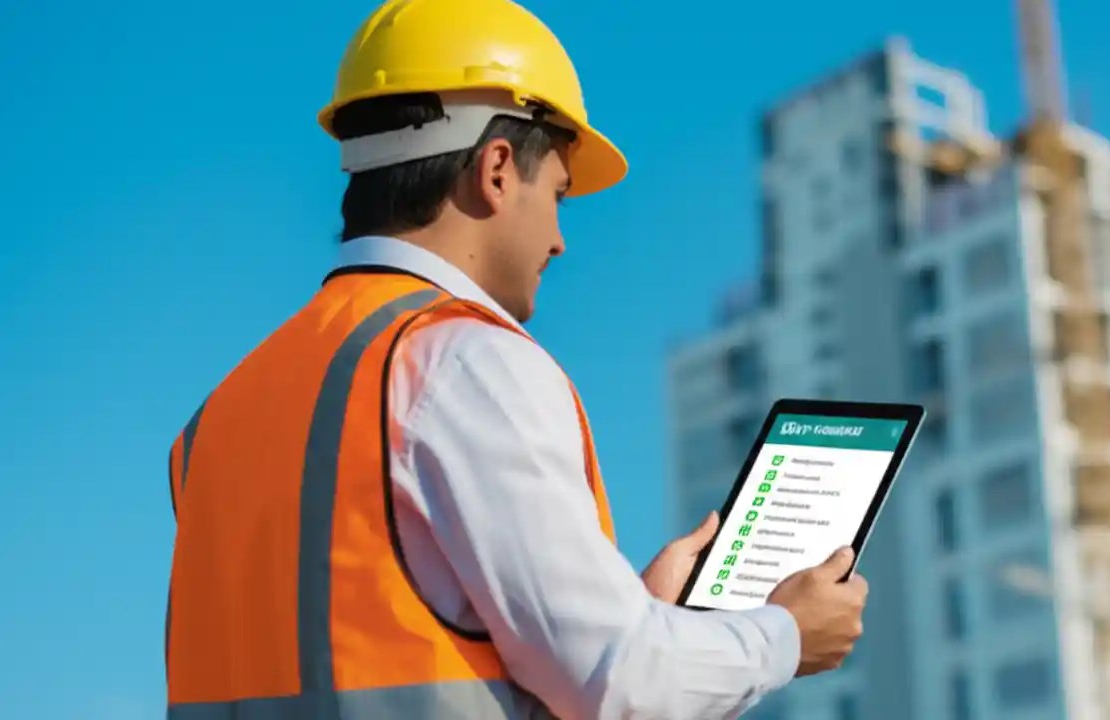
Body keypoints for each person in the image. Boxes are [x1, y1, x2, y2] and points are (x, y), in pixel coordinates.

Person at [163, 1, 870, 718]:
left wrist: (635, 612)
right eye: (559, 195)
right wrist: (785, 635)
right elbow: (620, 681)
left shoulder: (215, 420)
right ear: (497, 170)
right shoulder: (463, 361)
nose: (560, 240)